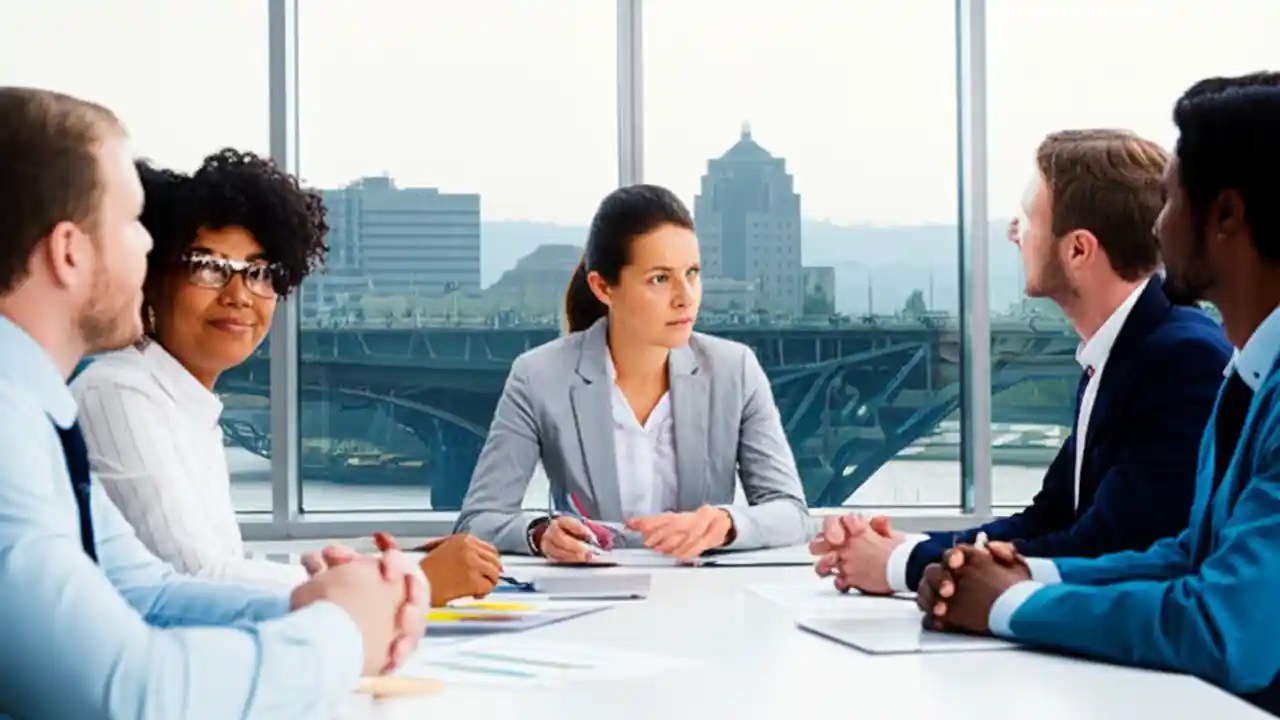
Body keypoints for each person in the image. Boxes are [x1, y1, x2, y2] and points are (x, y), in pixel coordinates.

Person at [0, 87, 427, 719]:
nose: (148, 248)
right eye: (132, 221)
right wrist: (342, 633)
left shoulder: (35, 411)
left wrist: (329, 600)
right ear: (69, 251)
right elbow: (128, 693)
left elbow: (147, 592)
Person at [920, 72, 1280, 715]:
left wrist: (1011, 602)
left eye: (1170, 200)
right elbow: (1189, 556)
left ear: (1226, 214)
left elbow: (1225, 629)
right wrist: (1029, 575)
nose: (1156, 228)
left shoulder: (1219, 370)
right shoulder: (1247, 377)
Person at [69, 149, 501, 606]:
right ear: (152, 279)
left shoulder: (185, 406)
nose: (239, 295)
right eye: (209, 267)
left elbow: (218, 567)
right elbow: (196, 578)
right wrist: (410, 583)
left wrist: (375, 567)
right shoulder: (118, 393)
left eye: (259, 273)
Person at [811, 129, 1231, 595]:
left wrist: (902, 566)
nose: (1014, 233)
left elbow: (1110, 547)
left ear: (1078, 249)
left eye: (1029, 218)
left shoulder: (1181, 360)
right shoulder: (1125, 352)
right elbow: (1050, 519)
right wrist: (903, 547)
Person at [455, 184, 810, 561]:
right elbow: (478, 520)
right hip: (589, 585)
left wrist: (726, 524)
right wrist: (540, 534)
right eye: (660, 278)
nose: (685, 297)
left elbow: (792, 514)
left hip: (701, 586)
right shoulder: (538, 376)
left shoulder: (735, 370)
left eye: (692, 273)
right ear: (603, 287)